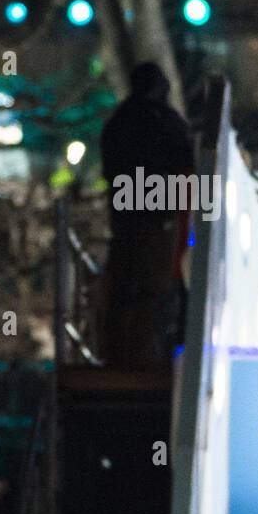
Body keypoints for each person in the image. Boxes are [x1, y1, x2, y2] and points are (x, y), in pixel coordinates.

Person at [100, 62, 194, 369]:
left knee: (121, 286)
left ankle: (114, 355)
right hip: (158, 217)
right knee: (151, 290)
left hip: (124, 215)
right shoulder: (165, 121)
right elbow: (187, 161)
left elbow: (110, 166)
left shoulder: (119, 121)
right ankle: (143, 358)